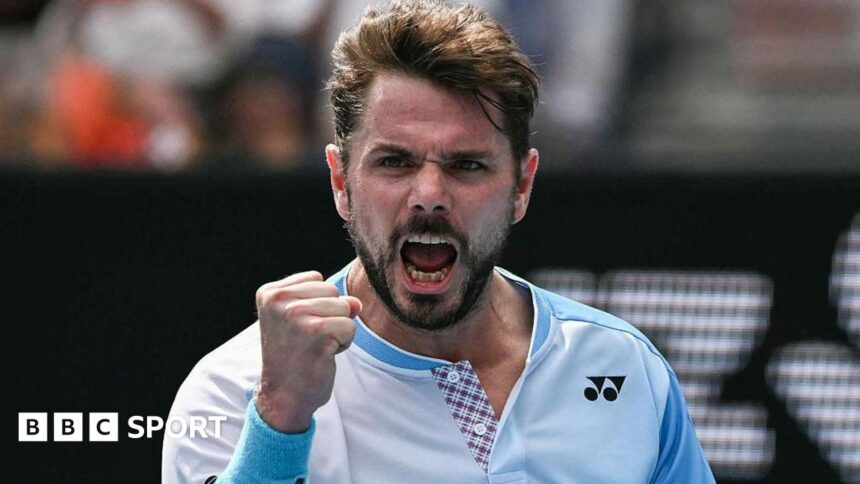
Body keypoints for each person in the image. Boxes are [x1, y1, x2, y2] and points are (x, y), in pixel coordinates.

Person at [162, 1, 715, 482]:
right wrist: (280, 420)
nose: (429, 195)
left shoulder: (625, 366)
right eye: (394, 162)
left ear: (522, 186)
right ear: (341, 183)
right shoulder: (236, 389)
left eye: (467, 165)